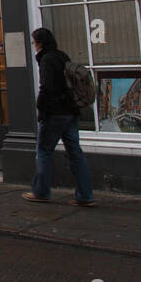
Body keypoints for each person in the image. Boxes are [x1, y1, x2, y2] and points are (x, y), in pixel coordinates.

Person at [24, 27, 95, 206]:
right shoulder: (62, 56)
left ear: (40, 43)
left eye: (34, 42)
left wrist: (41, 107)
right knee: (75, 153)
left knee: (44, 151)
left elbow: (47, 88)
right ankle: (85, 195)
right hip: (71, 111)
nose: (33, 46)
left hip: (55, 113)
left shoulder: (47, 60)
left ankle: (41, 191)